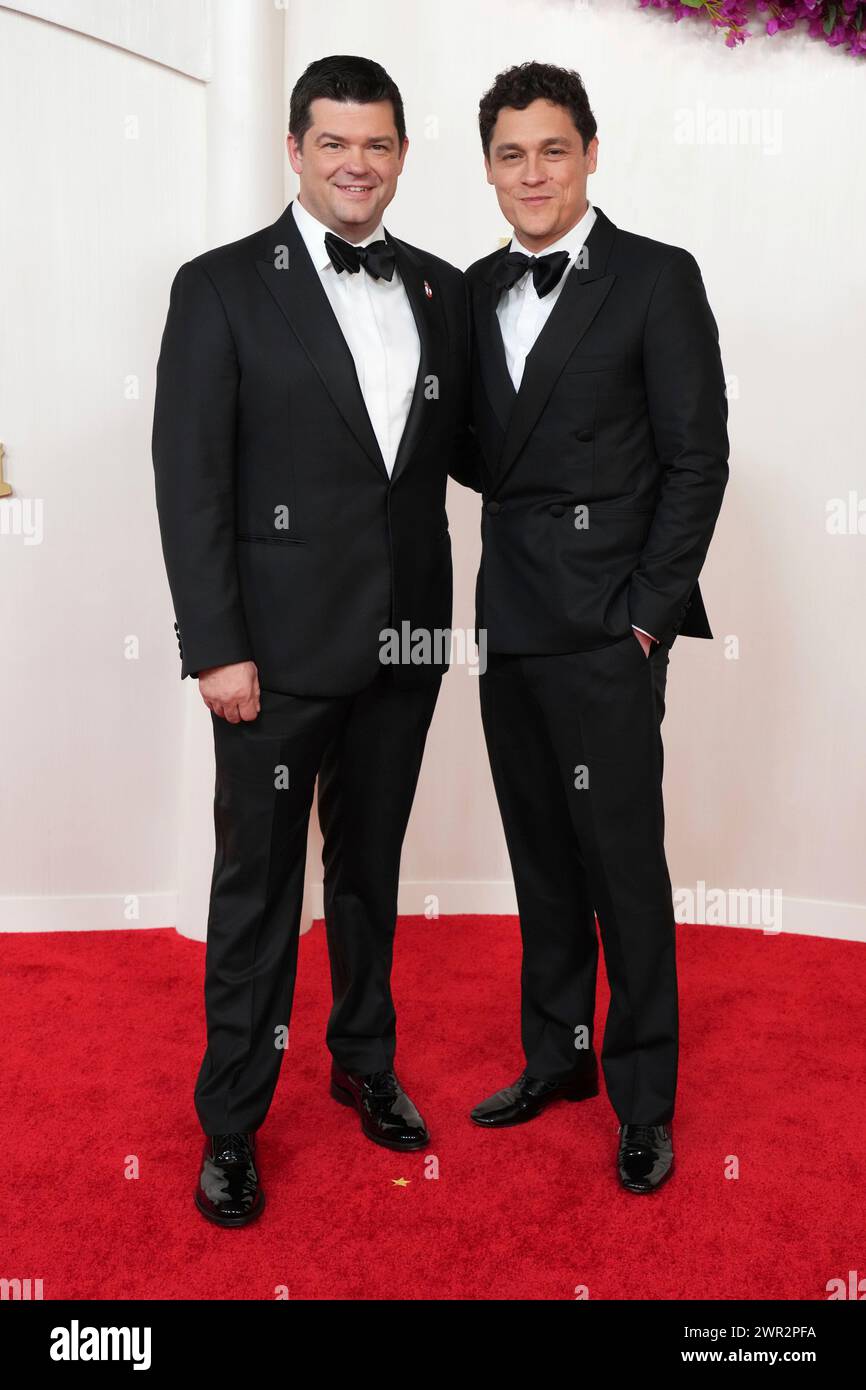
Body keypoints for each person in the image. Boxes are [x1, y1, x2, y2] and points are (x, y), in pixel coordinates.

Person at [152, 54, 475, 1226]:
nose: (356, 163)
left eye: (377, 144)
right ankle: (231, 1124)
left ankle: (361, 1059)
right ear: (295, 149)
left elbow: (480, 450)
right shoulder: (222, 286)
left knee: (370, 870)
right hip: (272, 657)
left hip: (403, 646)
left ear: (399, 153)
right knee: (256, 889)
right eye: (333, 142)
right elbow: (188, 481)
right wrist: (214, 646)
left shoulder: (443, 289)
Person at [462, 61, 729, 1193]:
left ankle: (641, 1098)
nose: (532, 172)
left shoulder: (655, 278)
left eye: (551, 149)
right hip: (508, 621)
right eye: (510, 154)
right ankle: (557, 1059)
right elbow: (475, 453)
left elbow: (696, 459)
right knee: (540, 859)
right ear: (487, 167)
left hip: (607, 627)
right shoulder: (467, 291)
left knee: (622, 863)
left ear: (589, 152)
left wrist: (646, 621)